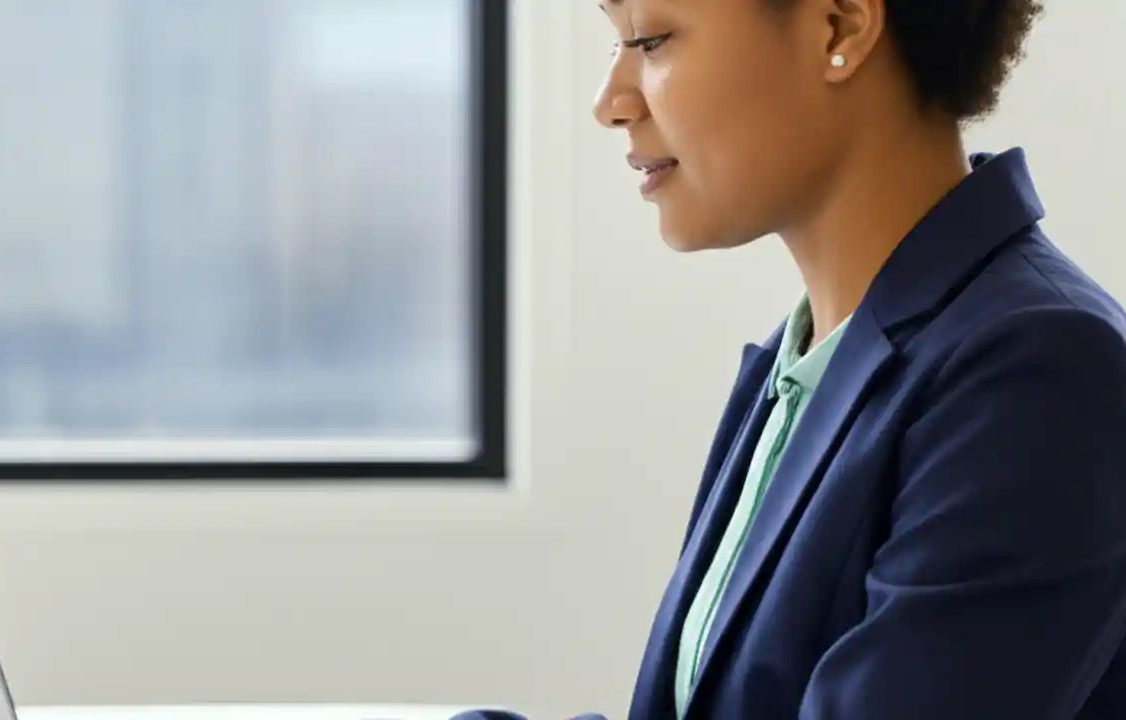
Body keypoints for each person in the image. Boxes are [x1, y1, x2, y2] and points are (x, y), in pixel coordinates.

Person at [459, 0, 1126, 718]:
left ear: (838, 27)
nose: (610, 102)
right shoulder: (803, 362)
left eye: (649, 40)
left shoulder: (1038, 373)